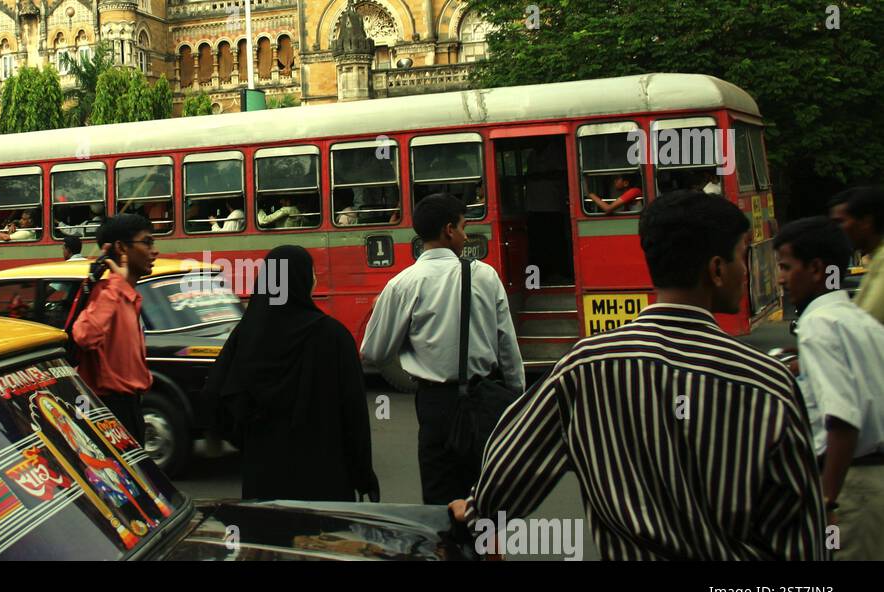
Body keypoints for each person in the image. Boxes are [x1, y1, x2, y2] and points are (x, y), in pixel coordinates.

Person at [450, 191, 827, 560]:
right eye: (742, 259)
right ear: (715, 270)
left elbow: (506, 478)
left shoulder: (584, 367)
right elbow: (802, 539)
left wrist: (474, 511)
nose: (746, 271)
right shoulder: (768, 383)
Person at [361, 193, 523, 505]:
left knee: (440, 508)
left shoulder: (403, 284)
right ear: (449, 230)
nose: (466, 235)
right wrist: (515, 399)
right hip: (486, 401)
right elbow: (508, 351)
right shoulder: (485, 275)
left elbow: (374, 352)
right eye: (464, 227)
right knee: (488, 506)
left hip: (436, 406)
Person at [204, 246, 380, 502]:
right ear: (302, 280)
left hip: (265, 481)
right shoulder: (334, 336)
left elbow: (215, 396)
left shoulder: (246, 335)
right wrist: (363, 477)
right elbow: (354, 416)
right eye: (312, 273)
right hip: (326, 479)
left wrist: (251, 442)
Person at [774, 216, 884, 560]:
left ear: (816, 268)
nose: (779, 279)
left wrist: (826, 499)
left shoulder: (817, 325)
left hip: (852, 487)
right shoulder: (853, 317)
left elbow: (842, 420)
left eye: (785, 267)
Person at [71, 214, 157, 443]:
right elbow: (84, 335)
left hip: (132, 407)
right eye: (146, 242)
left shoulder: (129, 296)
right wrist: (116, 285)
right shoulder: (106, 293)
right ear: (121, 248)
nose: (154, 250)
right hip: (110, 411)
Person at [828, 186, 884, 324]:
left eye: (840, 222)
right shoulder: (875, 259)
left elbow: (866, 323)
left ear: (866, 222)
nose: (835, 230)